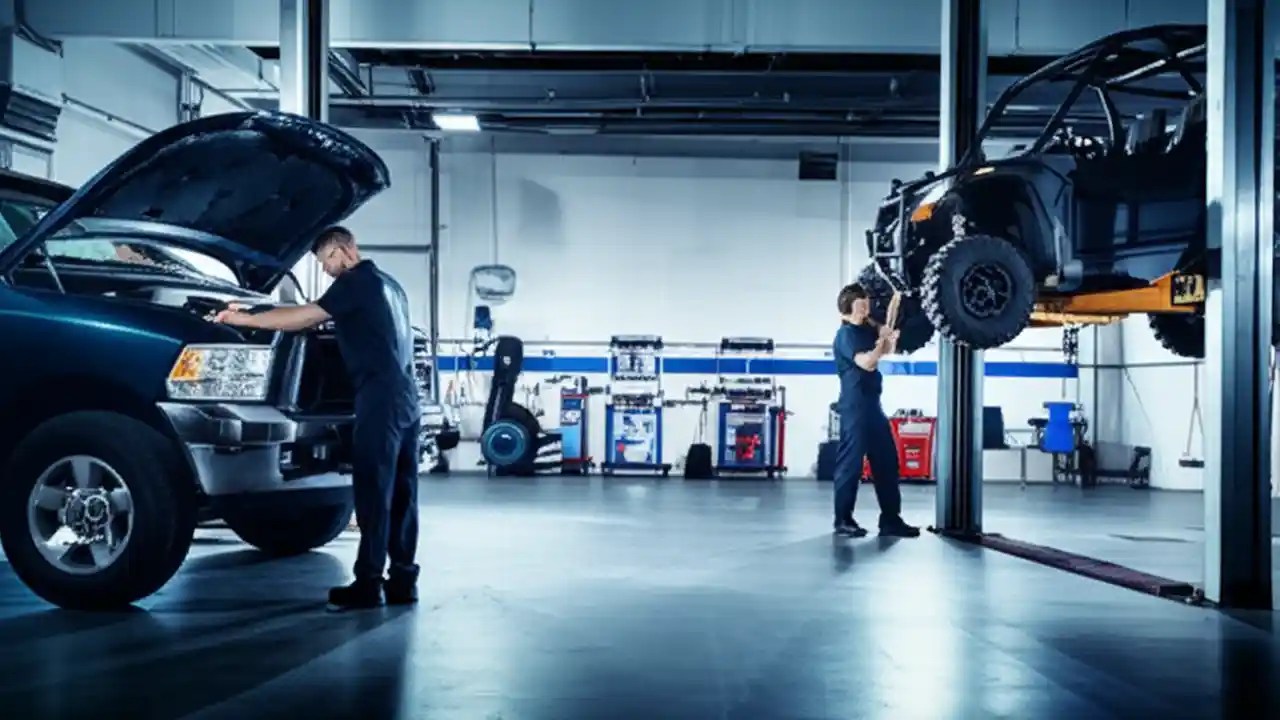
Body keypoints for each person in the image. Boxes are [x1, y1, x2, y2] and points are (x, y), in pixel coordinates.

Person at [213, 226, 423, 610]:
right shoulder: (390, 285)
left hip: (379, 400)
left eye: (326, 261)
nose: (325, 270)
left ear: (343, 250)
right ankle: (403, 581)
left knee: (374, 492)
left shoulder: (355, 282)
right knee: (404, 493)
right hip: (408, 398)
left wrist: (245, 320)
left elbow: (303, 318)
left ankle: (367, 584)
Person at [830, 282, 921, 538]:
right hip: (854, 407)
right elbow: (868, 363)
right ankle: (843, 520)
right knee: (851, 465)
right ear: (848, 307)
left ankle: (891, 520)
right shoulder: (846, 335)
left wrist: (890, 337)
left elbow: (887, 349)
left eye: (867, 303)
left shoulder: (866, 328)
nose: (865, 308)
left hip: (872, 405)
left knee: (887, 462)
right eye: (861, 304)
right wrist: (881, 343)